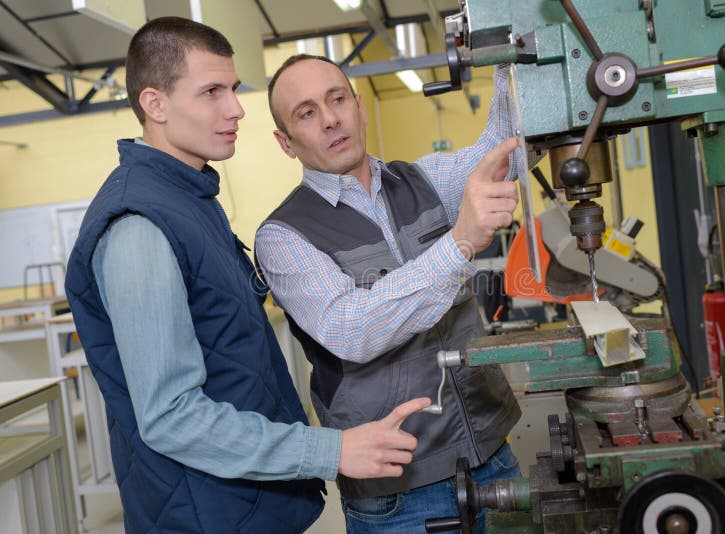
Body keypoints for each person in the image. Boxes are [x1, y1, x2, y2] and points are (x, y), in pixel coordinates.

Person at [64, 17, 431, 534]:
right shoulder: (138, 225)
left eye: (233, 89)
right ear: (155, 104)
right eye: (212, 91)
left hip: (242, 506)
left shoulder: (189, 200)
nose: (235, 108)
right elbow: (172, 416)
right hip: (203, 515)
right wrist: (331, 449)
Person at [256, 53, 524, 532]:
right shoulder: (283, 236)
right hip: (400, 496)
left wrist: (511, 54)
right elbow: (350, 328)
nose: (331, 119)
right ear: (286, 143)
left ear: (358, 106)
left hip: (492, 452)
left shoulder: (424, 180)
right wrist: (460, 241)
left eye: (337, 99)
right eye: (307, 112)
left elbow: (505, 152)